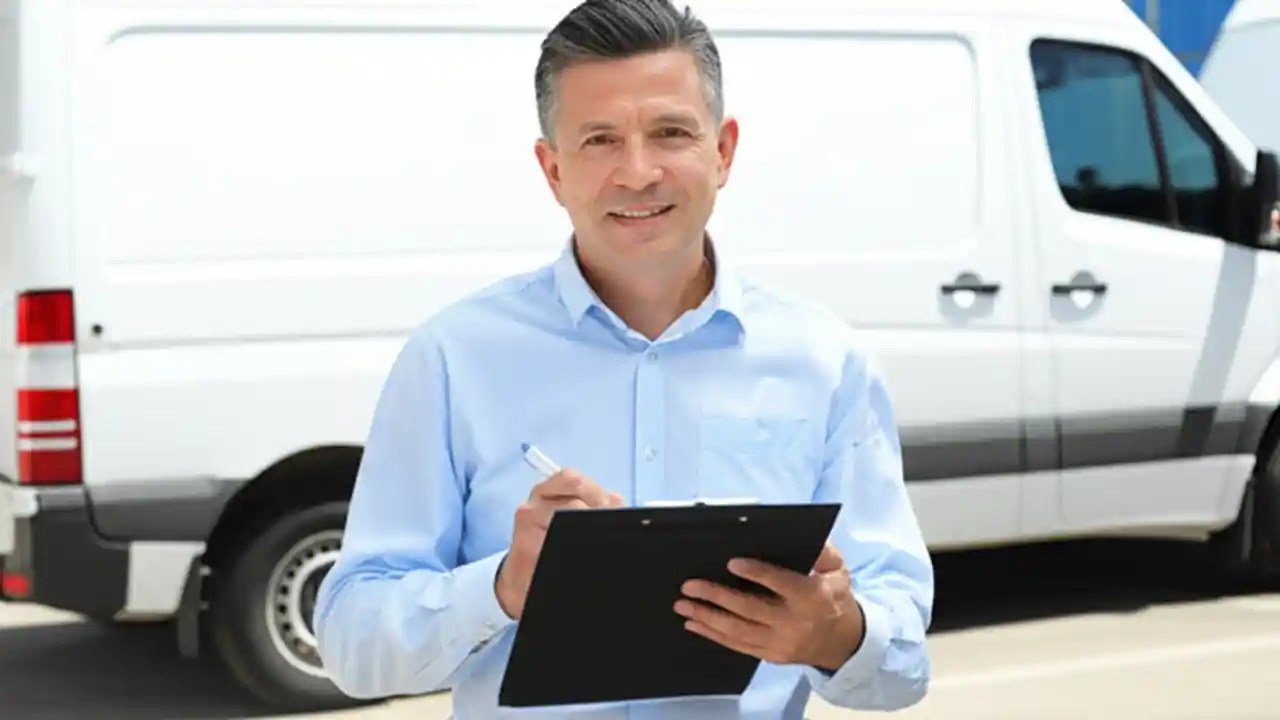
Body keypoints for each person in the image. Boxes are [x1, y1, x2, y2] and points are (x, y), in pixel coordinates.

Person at [313, 0, 934, 716]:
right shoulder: (454, 360)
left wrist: (838, 635)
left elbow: (904, 664)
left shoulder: (824, 362)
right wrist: (502, 586)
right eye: (600, 140)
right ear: (552, 169)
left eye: (670, 133)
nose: (638, 173)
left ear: (723, 151)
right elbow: (351, 644)